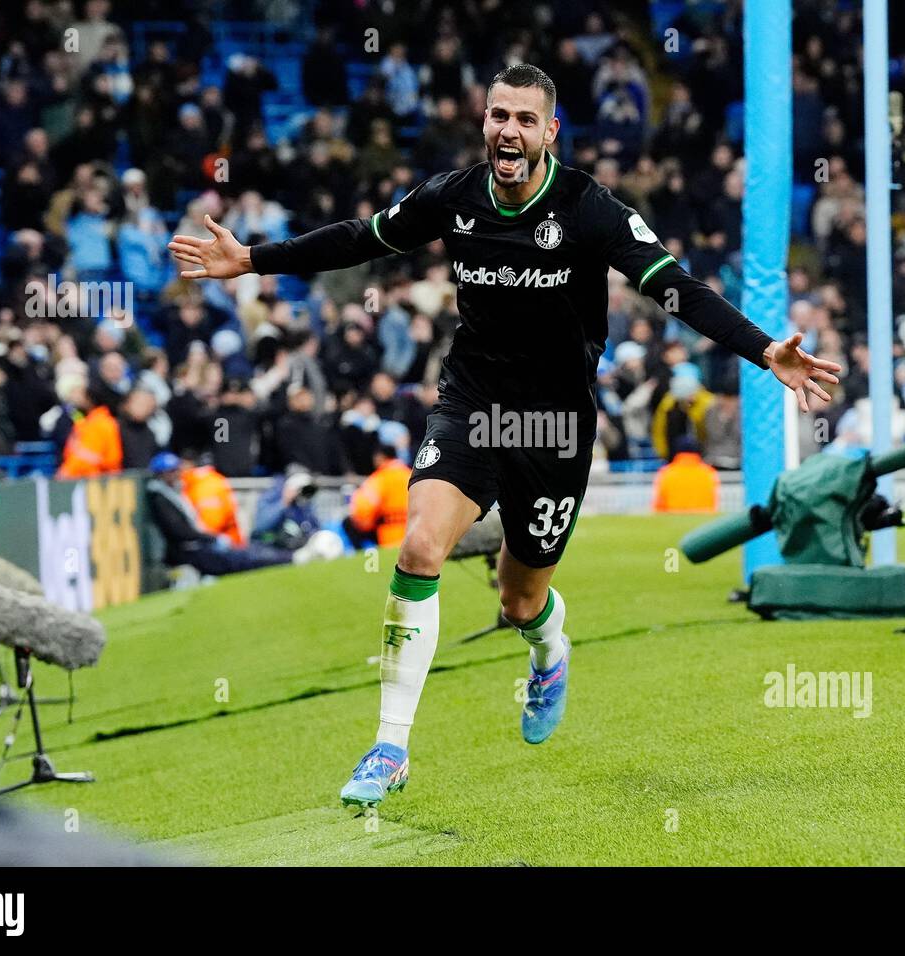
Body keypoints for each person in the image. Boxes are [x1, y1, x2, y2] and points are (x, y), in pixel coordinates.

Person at [168, 63, 841, 808]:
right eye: (498, 116)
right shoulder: (452, 198)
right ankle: (391, 746)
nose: (508, 131)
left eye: (525, 119)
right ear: (483, 123)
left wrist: (761, 349)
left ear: (551, 132)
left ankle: (550, 647)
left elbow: (671, 284)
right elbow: (363, 239)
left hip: (555, 422)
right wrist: (254, 261)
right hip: (473, 401)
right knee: (419, 545)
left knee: (519, 601)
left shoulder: (589, 208)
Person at [144, 452, 309, 576]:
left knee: (248, 552)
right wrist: (212, 538)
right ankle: (293, 558)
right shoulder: (161, 498)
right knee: (241, 559)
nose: (176, 474)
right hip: (190, 550)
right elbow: (180, 531)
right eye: (171, 471)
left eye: (176, 470)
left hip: (202, 543)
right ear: (161, 474)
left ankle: (291, 557)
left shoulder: (176, 492)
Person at [343, 443, 411, 549]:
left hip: (387, 533)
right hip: (411, 530)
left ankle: (361, 555)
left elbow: (363, 508)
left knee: (348, 523)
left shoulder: (380, 478)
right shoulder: (410, 474)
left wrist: (364, 522)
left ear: (381, 457)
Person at [651, 436, 720, 513]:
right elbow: (713, 501)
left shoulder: (666, 473)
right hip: (703, 520)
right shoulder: (708, 472)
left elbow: (659, 505)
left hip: (673, 520)